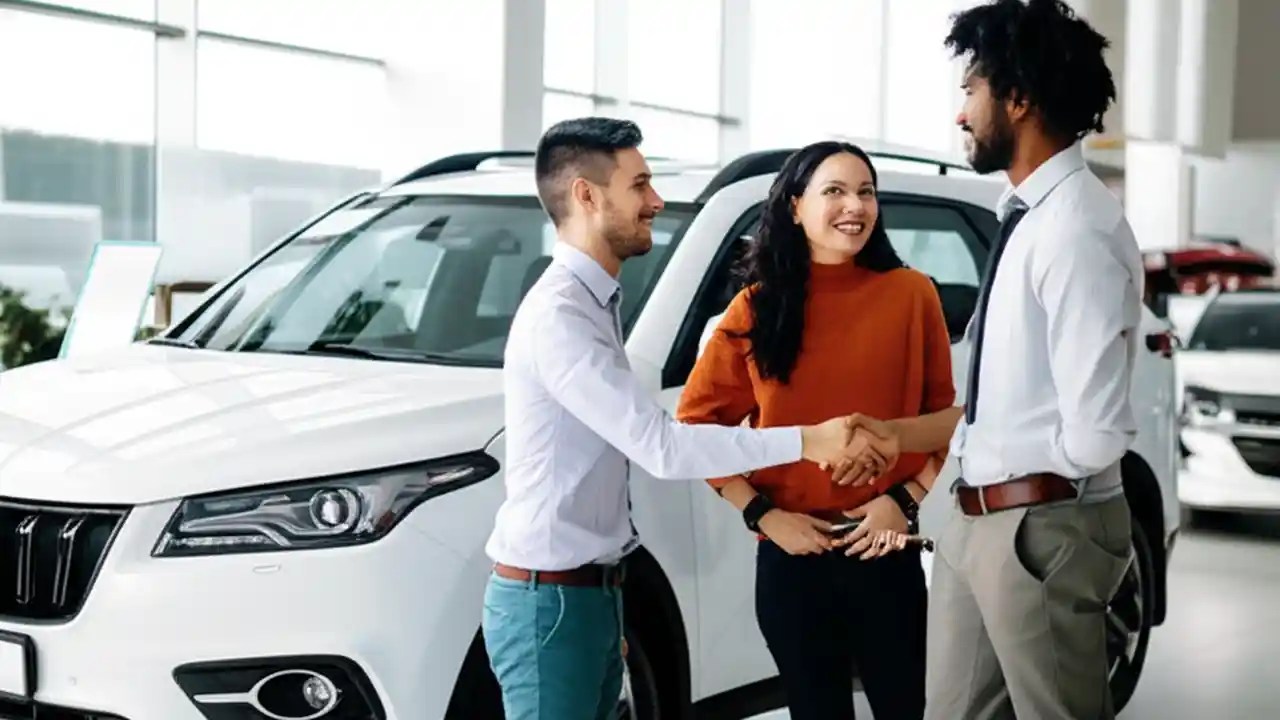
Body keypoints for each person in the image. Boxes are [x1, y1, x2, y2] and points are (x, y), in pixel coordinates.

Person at [482, 118, 862, 720]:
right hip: (551, 606)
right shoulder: (560, 316)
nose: (654, 201)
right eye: (640, 185)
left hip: (586, 595)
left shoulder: (591, 301)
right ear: (587, 195)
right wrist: (808, 439)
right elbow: (660, 447)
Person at [854, 2, 1143, 718]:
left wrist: (1010, 489)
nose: (960, 114)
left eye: (970, 91)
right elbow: (1004, 395)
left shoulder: (1075, 230)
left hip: (1039, 527)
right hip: (977, 521)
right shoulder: (1027, 216)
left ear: (1018, 98)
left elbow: (1096, 434)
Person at [676, 140, 962, 720]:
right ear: (795, 206)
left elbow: (949, 424)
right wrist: (763, 515)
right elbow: (695, 429)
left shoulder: (913, 295)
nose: (854, 205)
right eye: (834, 191)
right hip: (792, 557)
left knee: (905, 707)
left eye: (865, 191)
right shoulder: (755, 309)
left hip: (887, 547)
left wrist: (901, 502)